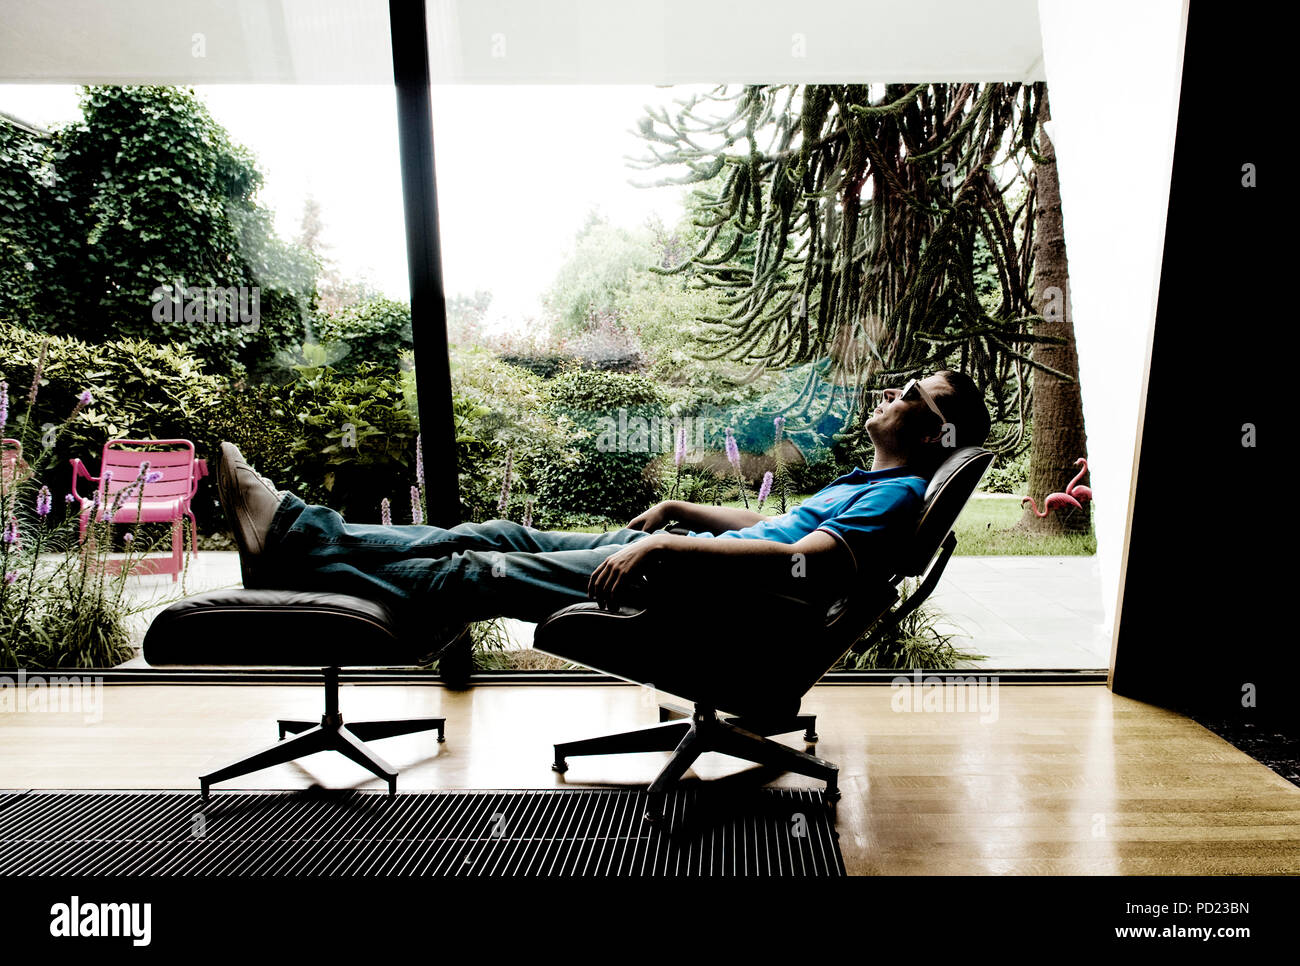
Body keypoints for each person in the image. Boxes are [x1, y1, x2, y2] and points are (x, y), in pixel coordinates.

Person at [216, 370, 990, 643]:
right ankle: (296, 535)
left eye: (912, 395)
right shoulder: (868, 482)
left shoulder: (894, 493)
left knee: (480, 571)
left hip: (700, 589)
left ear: (932, 432)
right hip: (698, 565)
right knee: (501, 530)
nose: (893, 394)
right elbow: (780, 530)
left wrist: (663, 550)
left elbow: (804, 566)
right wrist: (681, 508)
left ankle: (291, 538)